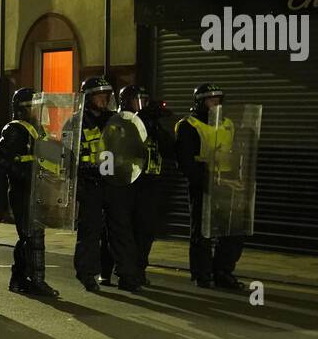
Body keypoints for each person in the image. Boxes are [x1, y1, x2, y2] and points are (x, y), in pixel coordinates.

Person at [68, 76, 142, 292]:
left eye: (106, 95)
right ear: (88, 98)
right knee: (89, 230)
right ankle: (87, 273)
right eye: (99, 95)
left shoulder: (118, 120)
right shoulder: (76, 121)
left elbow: (132, 147)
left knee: (121, 229)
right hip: (90, 184)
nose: (103, 99)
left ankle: (128, 275)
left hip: (114, 182)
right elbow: (67, 152)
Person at [101, 86, 174, 287]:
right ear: (126, 102)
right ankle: (122, 272)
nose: (143, 104)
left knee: (145, 230)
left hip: (150, 182)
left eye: (145, 99)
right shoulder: (119, 122)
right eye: (138, 100)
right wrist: (140, 122)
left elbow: (169, 149)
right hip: (125, 182)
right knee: (122, 230)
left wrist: (155, 125)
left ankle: (138, 269)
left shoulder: (151, 122)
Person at [174, 82, 245, 289]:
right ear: (200, 102)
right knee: (202, 232)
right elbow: (185, 161)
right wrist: (203, 181)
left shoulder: (228, 124)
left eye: (218, 100)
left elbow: (236, 153)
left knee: (232, 231)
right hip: (203, 184)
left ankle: (223, 271)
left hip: (227, 184)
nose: (216, 104)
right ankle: (202, 273)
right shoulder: (189, 125)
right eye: (211, 100)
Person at [0, 87, 59, 297]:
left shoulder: (39, 130)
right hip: (22, 191)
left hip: (38, 189)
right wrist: (22, 174)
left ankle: (20, 279)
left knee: (31, 236)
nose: (38, 111)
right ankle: (34, 280)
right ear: (22, 109)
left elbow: (52, 156)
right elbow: (0, 158)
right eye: (33, 107)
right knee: (32, 236)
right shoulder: (14, 130)